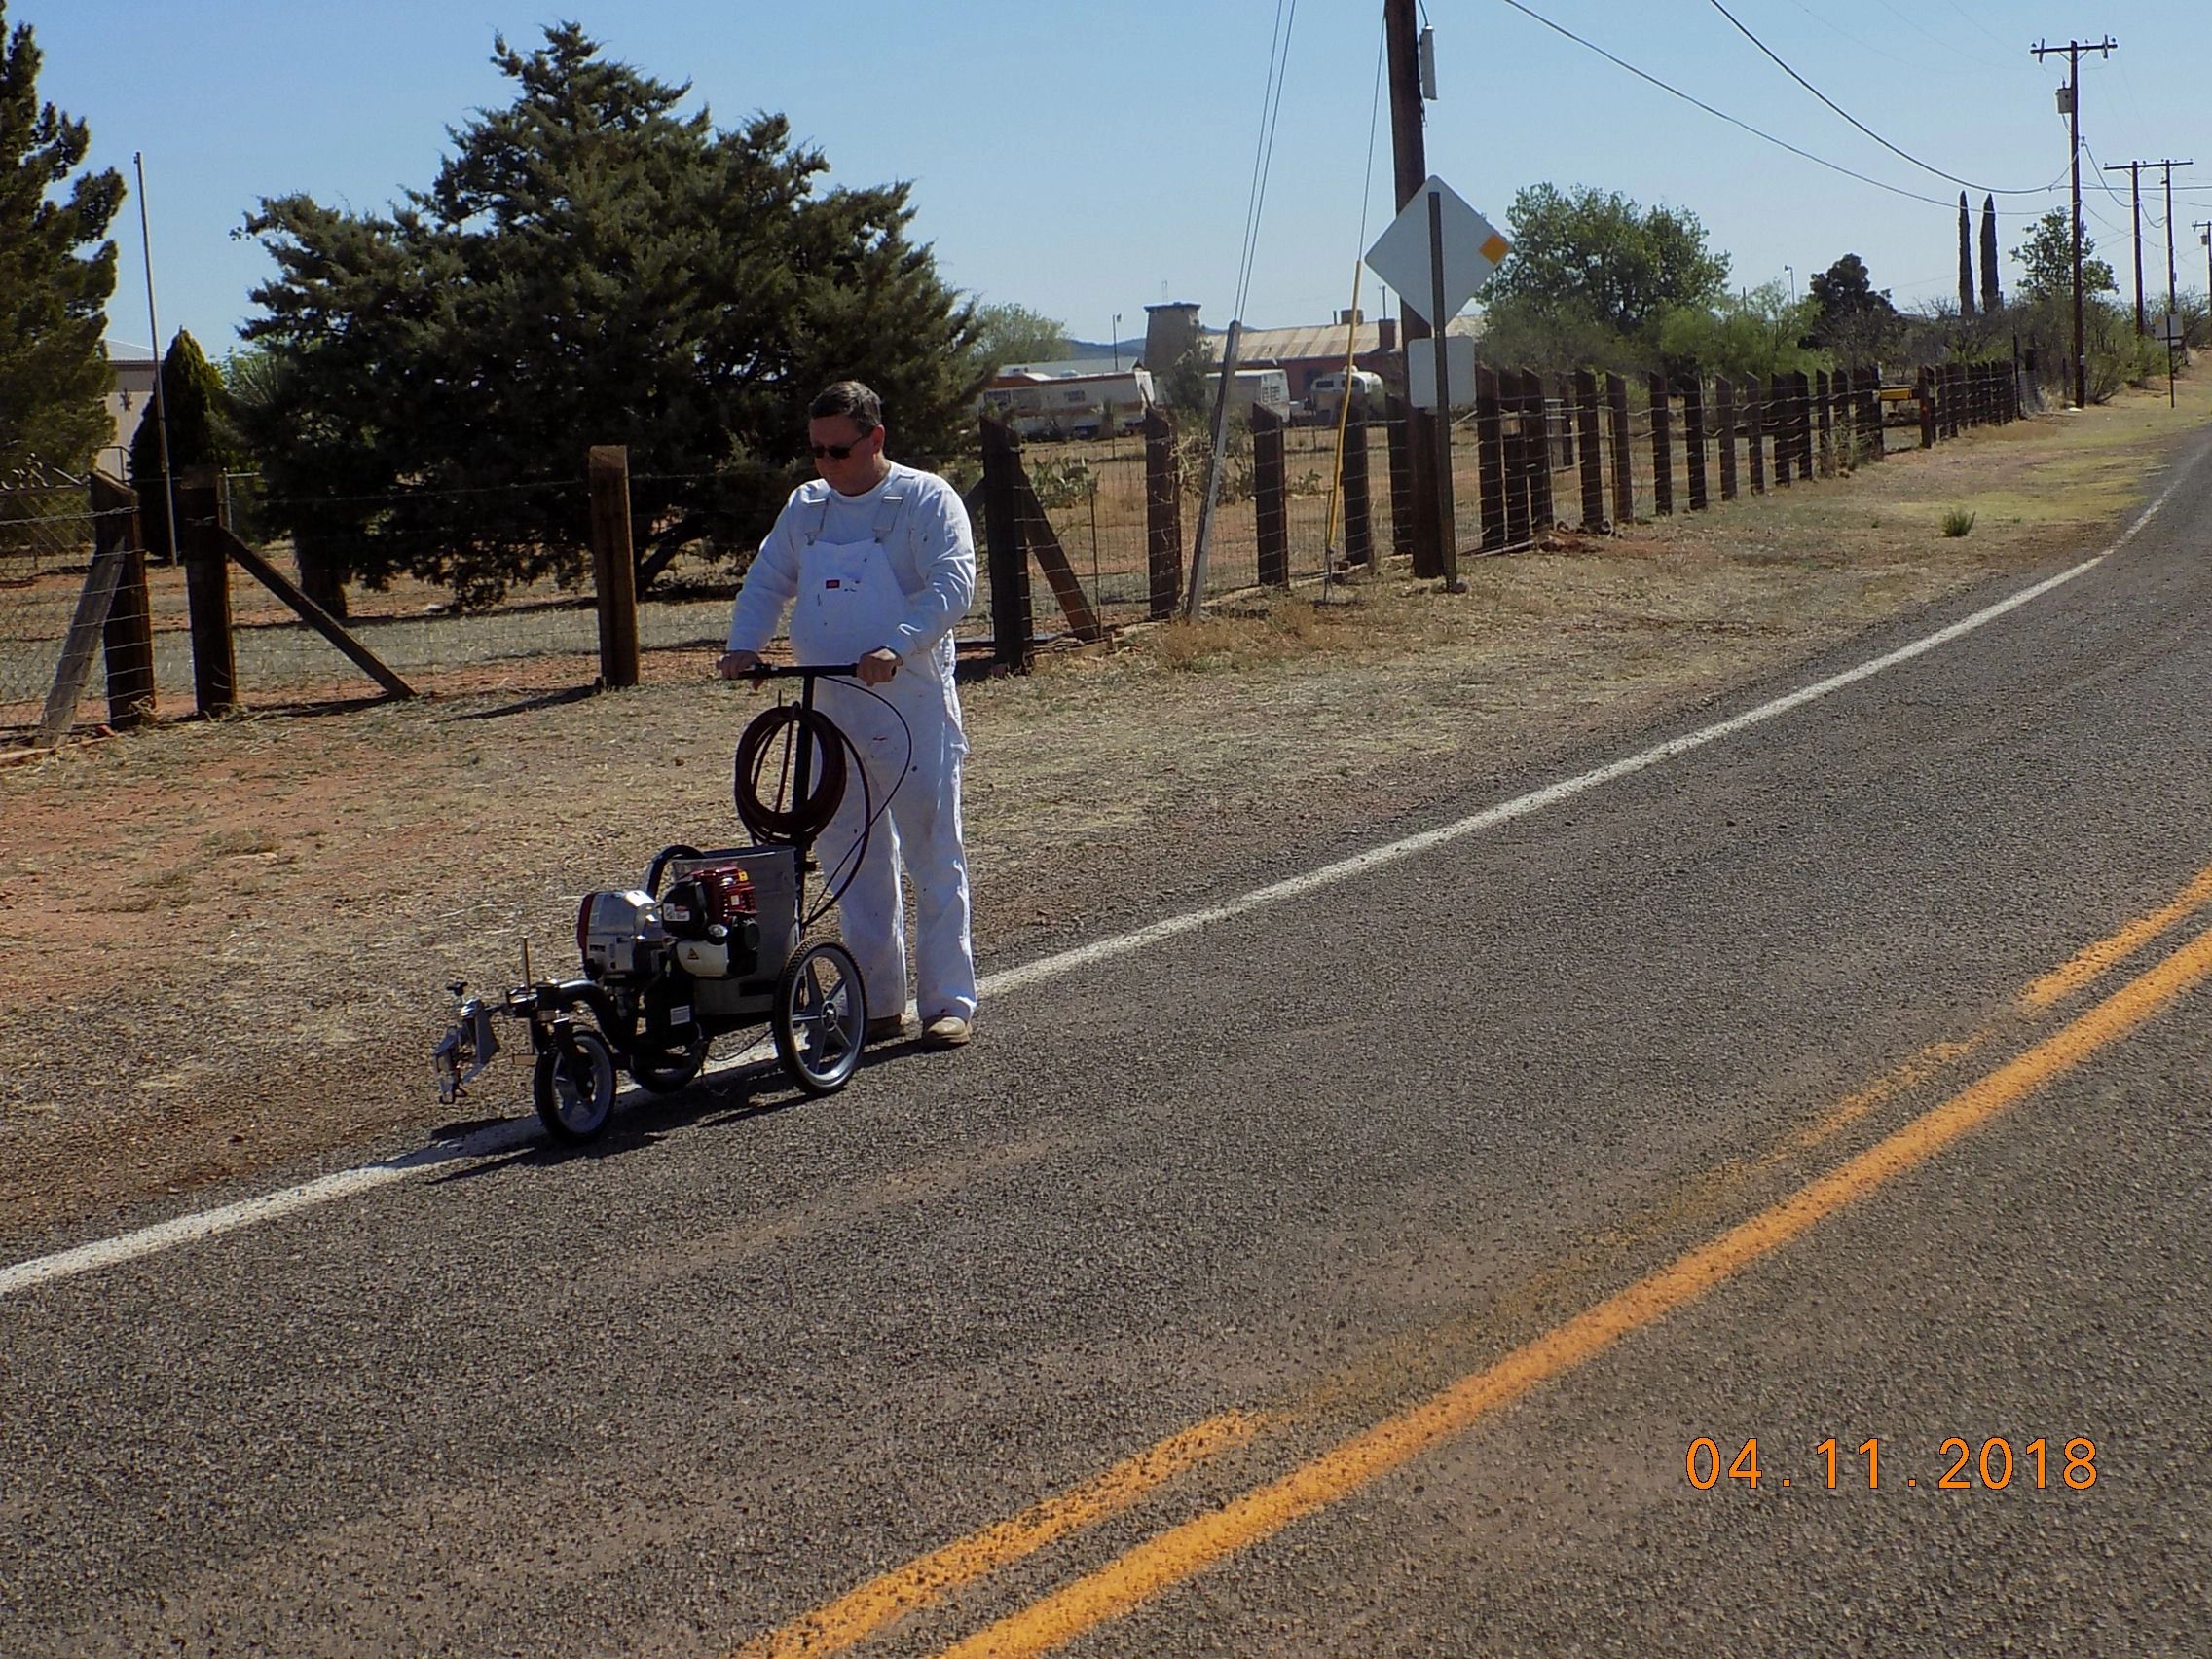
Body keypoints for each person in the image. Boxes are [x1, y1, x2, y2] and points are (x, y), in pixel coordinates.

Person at [717, 381, 977, 1049]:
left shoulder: (924, 499)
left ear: (876, 439)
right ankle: (878, 1000)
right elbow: (768, 579)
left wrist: (900, 642)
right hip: (827, 705)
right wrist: (744, 645)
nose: (826, 465)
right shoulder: (806, 508)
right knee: (848, 856)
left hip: (908, 700)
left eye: (839, 450)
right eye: (816, 452)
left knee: (932, 851)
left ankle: (948, 1001)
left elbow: (954, 581)